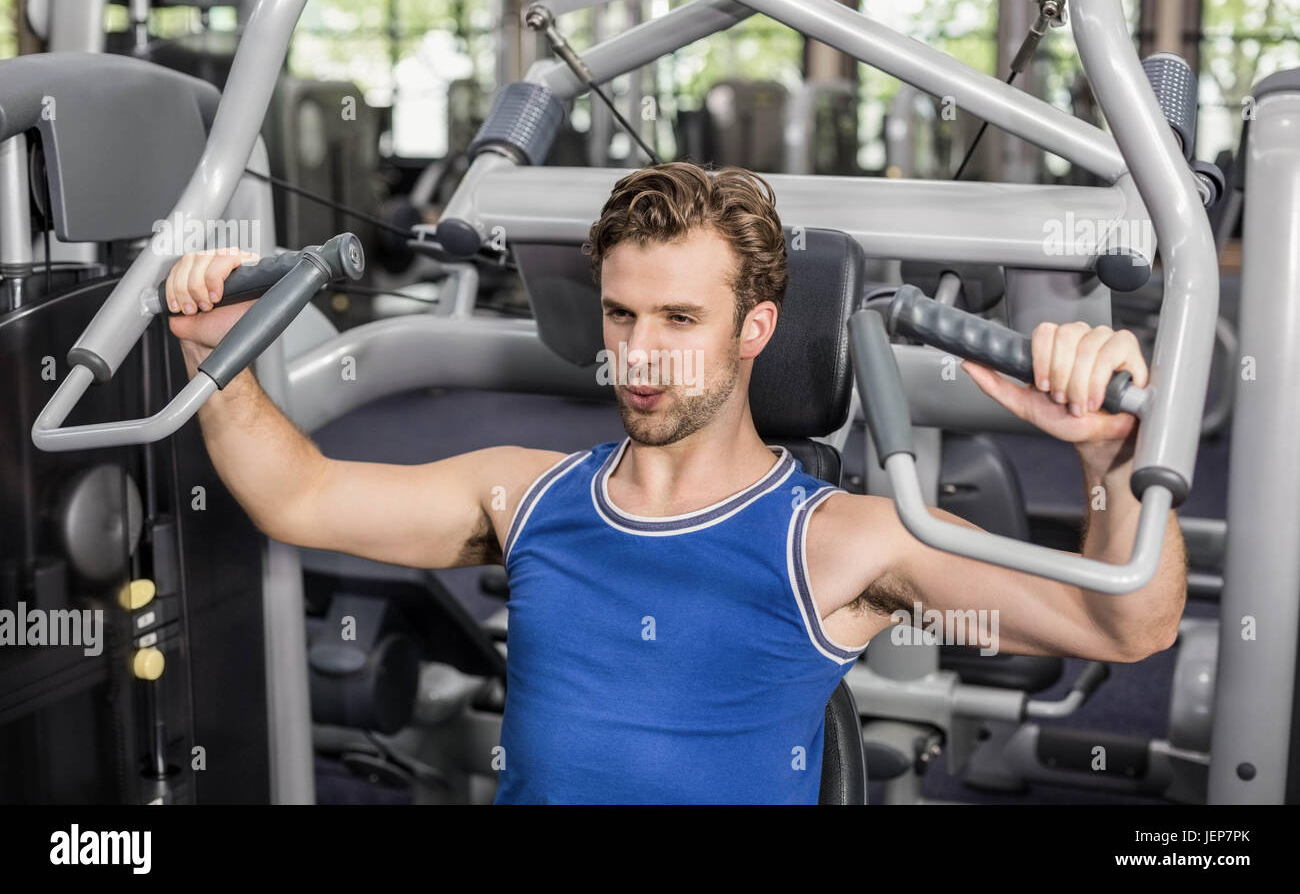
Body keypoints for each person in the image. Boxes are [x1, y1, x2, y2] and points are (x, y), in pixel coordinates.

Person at [164, 161, 1186, 804]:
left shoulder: (844, 539)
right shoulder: (522, 492)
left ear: (754, 329)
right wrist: (223, 359)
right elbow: (297, 495)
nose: (640, 355)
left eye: (679, 320)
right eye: (622, 315)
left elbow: (1123, 630)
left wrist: (1101, 458)